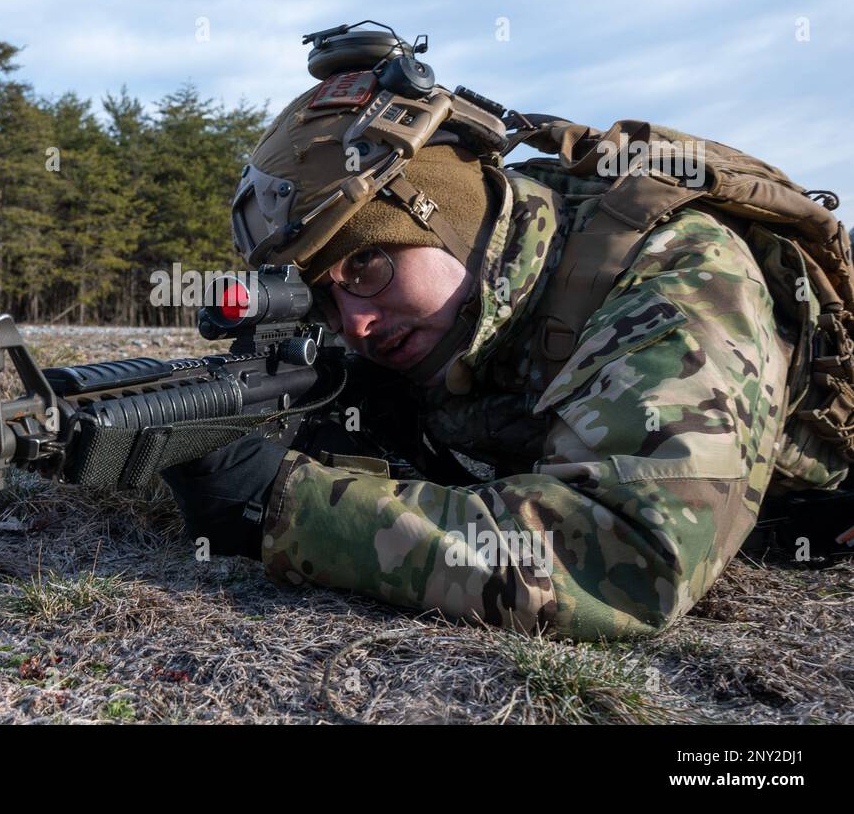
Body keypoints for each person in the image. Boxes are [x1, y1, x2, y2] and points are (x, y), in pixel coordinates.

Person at [163, 33, 850, 641]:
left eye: (366, 265)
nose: (356, 326)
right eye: (323, 301)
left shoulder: (680, 276)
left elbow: (632, 562)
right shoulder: (458, 301)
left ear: (452, 219)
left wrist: (289, 504)